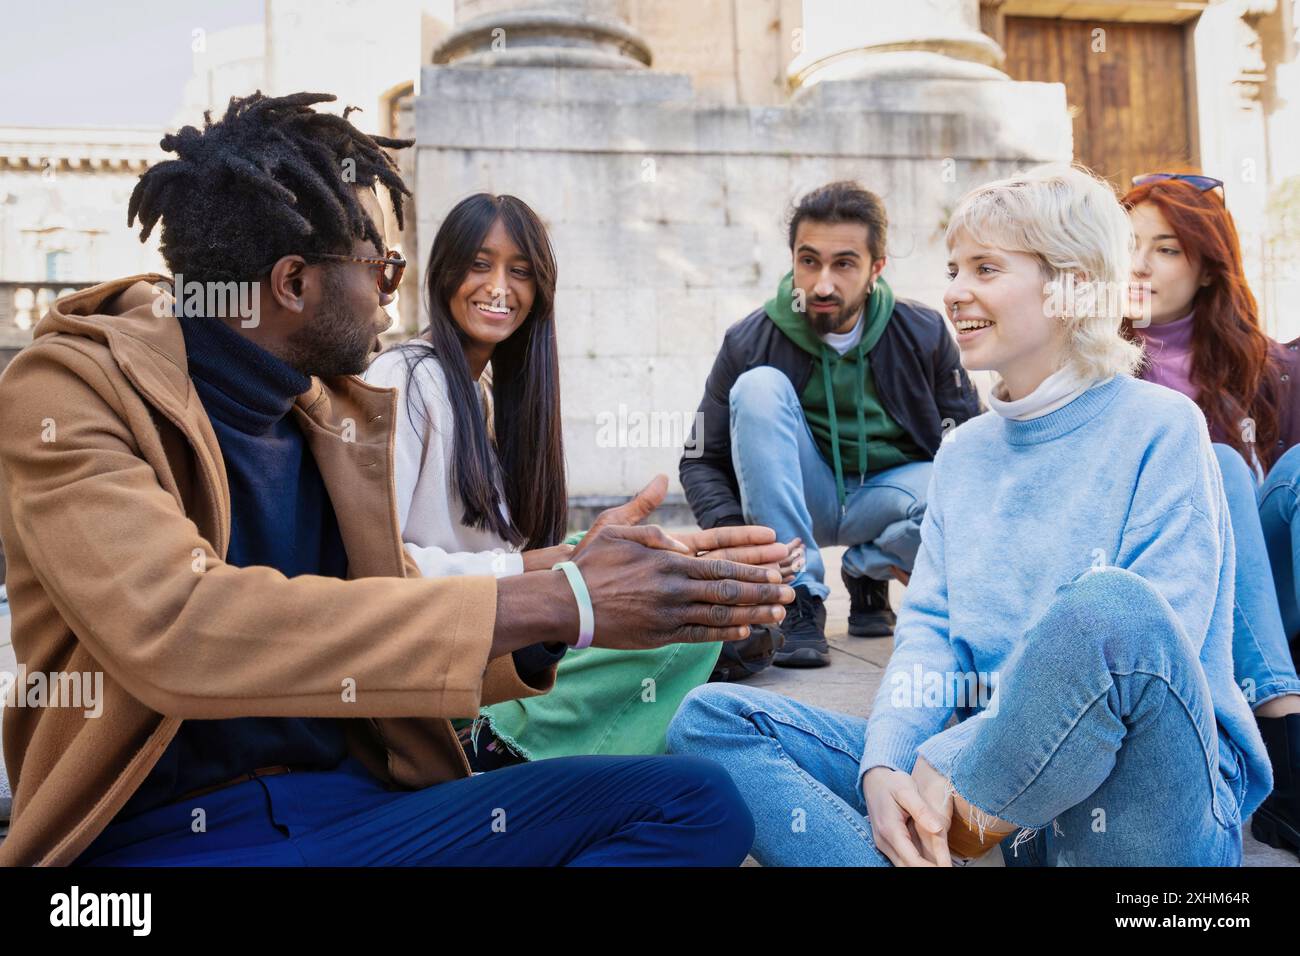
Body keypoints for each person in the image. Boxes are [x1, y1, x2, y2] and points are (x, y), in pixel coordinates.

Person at [0, 92, 793, 867]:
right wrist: (557, 596)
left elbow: (399, 613)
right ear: (293, 283)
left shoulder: (332, 415)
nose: (393, 297)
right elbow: (177, 625)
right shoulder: (71, 390)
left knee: (698, 801)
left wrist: (580, 587)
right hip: (162, 836)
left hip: (357, 810)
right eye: (383, 268)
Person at [668, 164, 1271, 866]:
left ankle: (950, 828)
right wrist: (887, 764)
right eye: (954, 269)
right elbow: (926, 633)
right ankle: (924, 838)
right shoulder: (964, 454)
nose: (954, 292)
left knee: (1109, 607)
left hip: (1139, 801)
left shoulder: (1163, 427)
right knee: (711, 721)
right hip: (973, 796)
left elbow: (1149, 645)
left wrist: (955, 761)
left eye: (985, 268)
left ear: (1073, 284)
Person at [362, 192, 798, 764]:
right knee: (672, 623)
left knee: (677, 605)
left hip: (495, 642)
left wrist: (647, 552)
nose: (500, 286)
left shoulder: (487, 394)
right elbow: (383, 566)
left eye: (520, 271)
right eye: (479, 264)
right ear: (443, 270)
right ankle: (500, 745)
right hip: (435, 654)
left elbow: (517, 559)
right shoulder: (405, 375)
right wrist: (547, 571)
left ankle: (531, 737)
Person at [680, 181, 980, 667]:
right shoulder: (748, 340)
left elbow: (974, 449)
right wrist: (741, 543)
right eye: (809, 261)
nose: (821, 284)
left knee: (963, 484)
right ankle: (797, 598)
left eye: (843, 264)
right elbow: (698, 461)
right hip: (797, 500)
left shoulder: (922, 333)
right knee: (758, 388)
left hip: (889, 498)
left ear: (875, 267)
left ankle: (866, 568)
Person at [1123, 171, 1300, 856]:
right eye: (1128, 244)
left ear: (1205, 268)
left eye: (1165, 249)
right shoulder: (1094, 368)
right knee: (1217, 461)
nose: (1138, 264)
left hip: (1267, 616)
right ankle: (1288, 763)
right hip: (1170, 605)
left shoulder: (1271, 369)